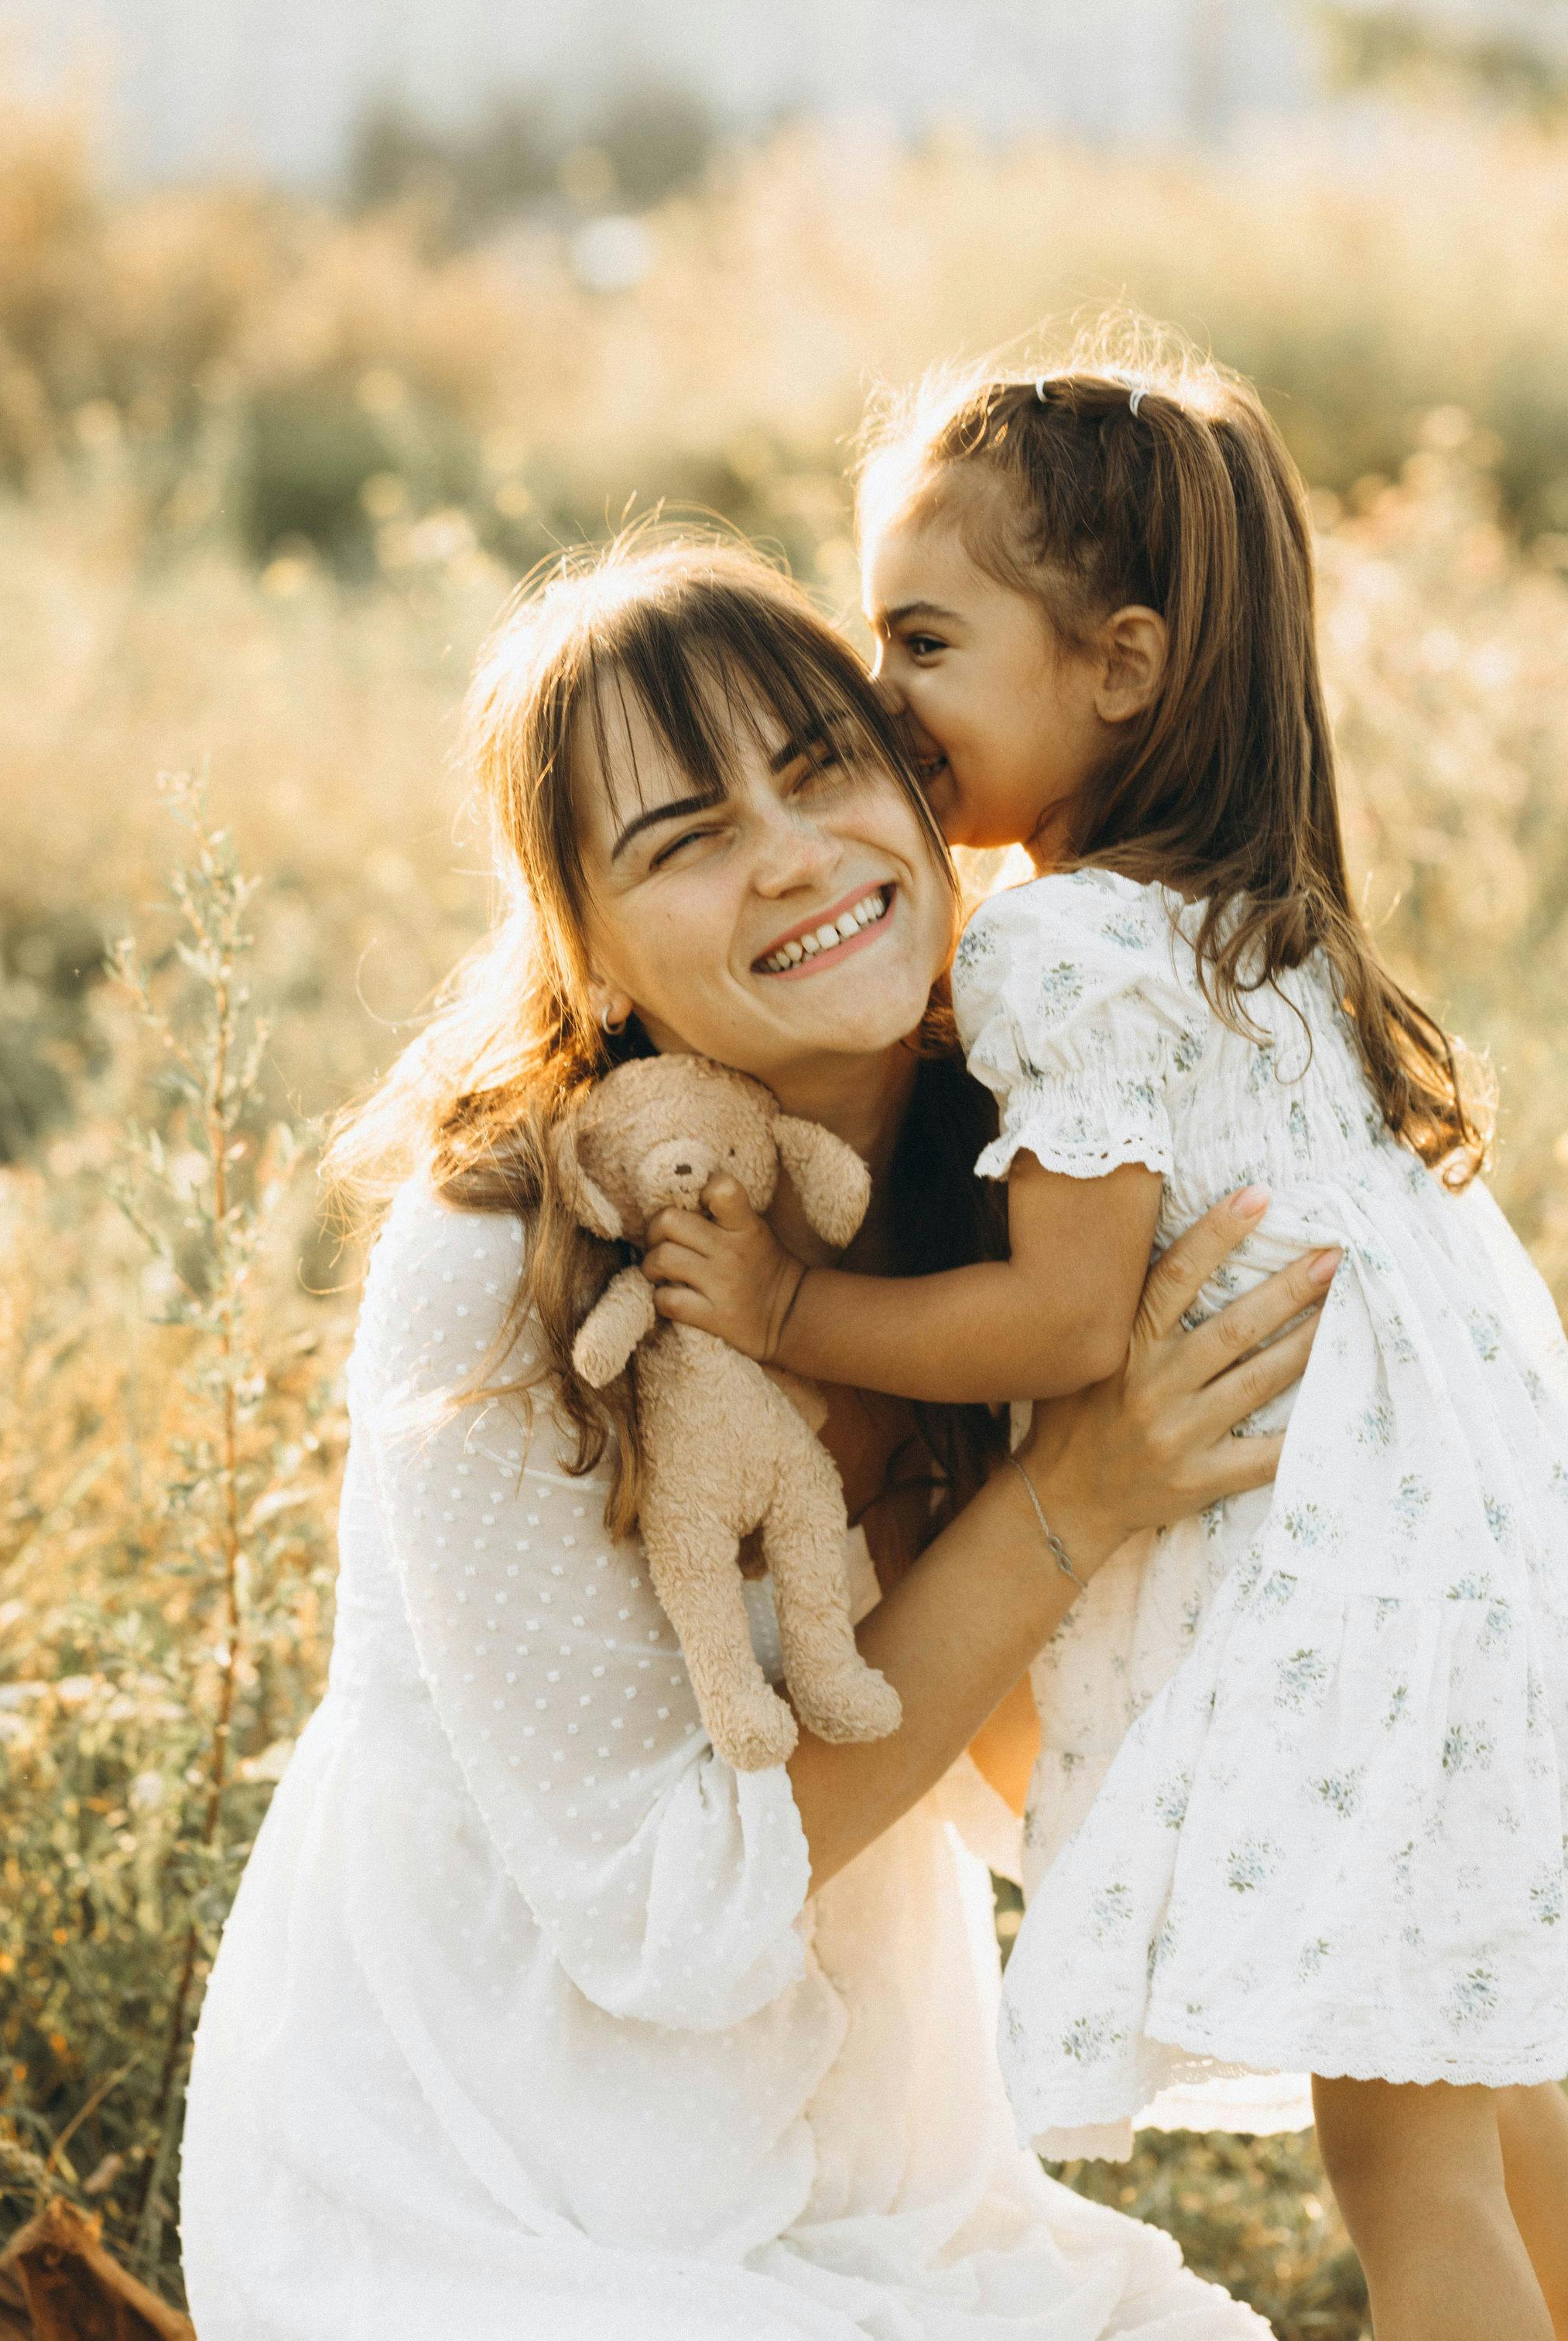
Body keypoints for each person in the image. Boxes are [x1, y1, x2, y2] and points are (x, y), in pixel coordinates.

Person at [179, 534, 1329, 2339]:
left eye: (818, 772)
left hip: (879, 2169)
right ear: (588, 949)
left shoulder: (1029, 1184)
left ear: (916, 792)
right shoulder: (497, 1278)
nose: (792, 855)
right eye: (685, 838)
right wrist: (1076, 1493)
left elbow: (1045, 1772)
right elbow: (668, 1931)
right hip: (494, 2176)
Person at [647, 361, 1568, 2341]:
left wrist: (798, 1311)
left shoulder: (1061, 945)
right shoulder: (1264, 919)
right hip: (1471, 1579)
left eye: (924, 641)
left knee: (1411, 2183)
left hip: (1330, 1599)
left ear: (1123, 665)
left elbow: (1071, 1314)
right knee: (1494, 2101)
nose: (874, 696)